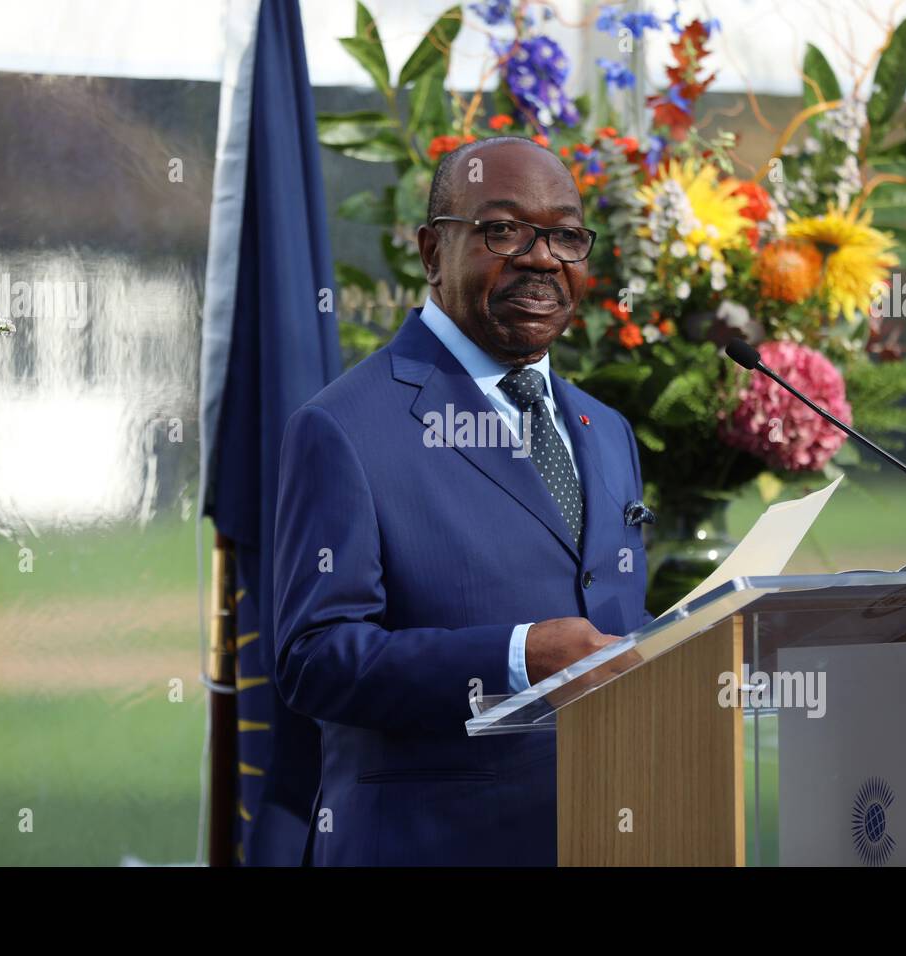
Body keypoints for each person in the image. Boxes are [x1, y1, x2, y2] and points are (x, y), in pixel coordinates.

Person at [272, 135, 653, 866]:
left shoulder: (606, 431)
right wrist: (518, 656)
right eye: (503, 230)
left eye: (566, 235)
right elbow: (314, 660)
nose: (542, 258)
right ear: (429, 251)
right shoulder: (343, 428)